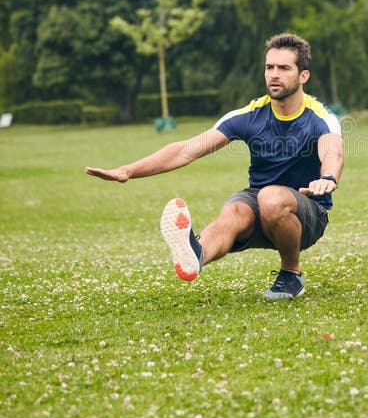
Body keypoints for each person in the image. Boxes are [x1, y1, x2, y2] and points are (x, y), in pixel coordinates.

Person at [85, 33, 344, 300]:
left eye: (284, 68)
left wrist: (327, 177)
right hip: (260, 203)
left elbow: (332, 151)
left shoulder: (320, 117)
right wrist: (128, 171)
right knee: (234, 211)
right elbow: (186, 150)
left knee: (270, 197)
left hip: (308, 210)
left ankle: (290, 275)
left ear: (303, 76)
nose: (274, 75)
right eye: (269, 67)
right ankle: (195, 255)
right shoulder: (250, 115)